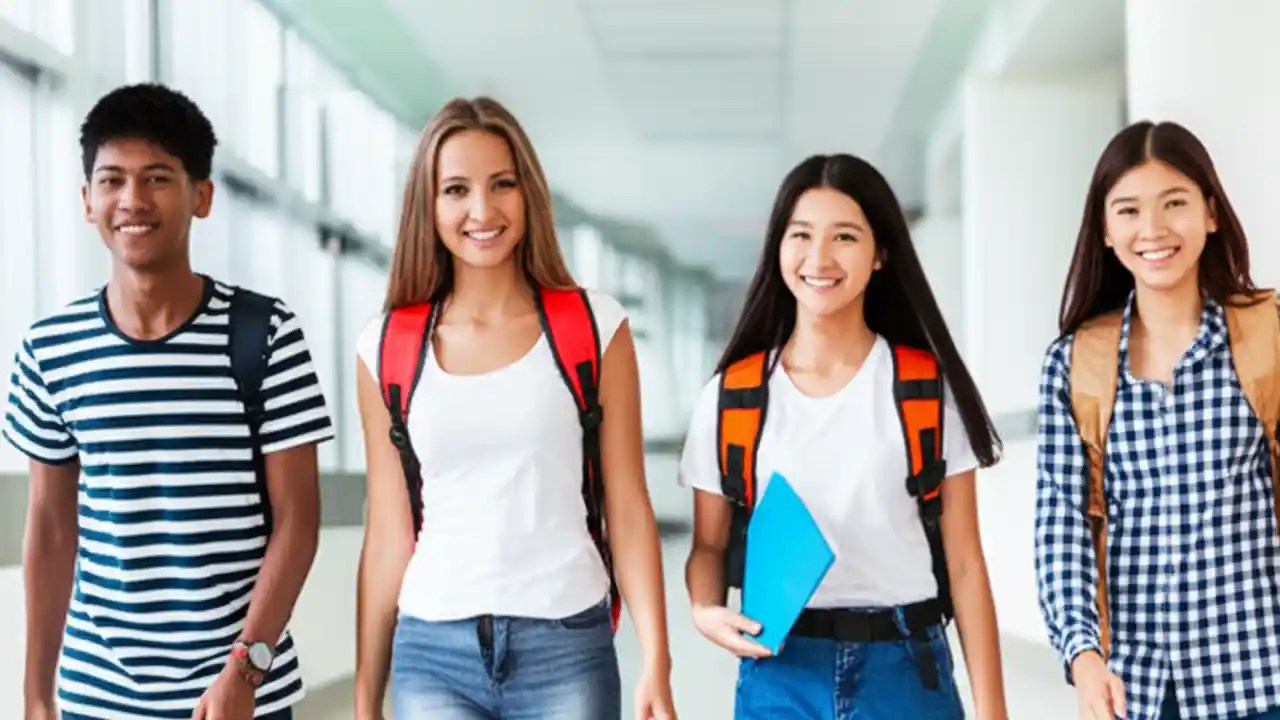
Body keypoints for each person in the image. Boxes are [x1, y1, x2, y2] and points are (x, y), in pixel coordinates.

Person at [3, 83, 334, 720]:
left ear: (200, 196)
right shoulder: (51, 351)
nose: (132, 200)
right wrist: (36, 694)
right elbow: (49, 527)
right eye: (112, 180)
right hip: (97, 698)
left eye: (157, 178)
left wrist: (244, 672)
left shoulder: (264, 335)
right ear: (86, 200)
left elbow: (298, 522)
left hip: (245, 698)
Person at [352, 96, 676, 720]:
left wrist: (657, 659)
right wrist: (367, 695)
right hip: (432, 650)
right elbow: (388, 533)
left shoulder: (594, 327)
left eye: (502, 184)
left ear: (529, 194)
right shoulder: (386, 346)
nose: (482, 210)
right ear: (429, 205)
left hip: (565, 644)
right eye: (456, 189)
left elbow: (628, 508)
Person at [679, 153, 1008, 718]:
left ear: (879, 254)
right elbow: (708, 546)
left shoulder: (923, 390)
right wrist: (705, 609)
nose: (819, 258)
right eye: (801, 235)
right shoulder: (733, 398)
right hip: (780, 668)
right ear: (778, 248)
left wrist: (994, 709)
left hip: (906, 671)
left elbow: (966, 565)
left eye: (845, 237)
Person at [1036, 120, 1280, 720]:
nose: (1153, 230)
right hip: (1139, 691)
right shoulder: (1073, 363)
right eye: (1128, 210)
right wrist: (1083, 655)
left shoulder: (1269, 337)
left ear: (1211, 214)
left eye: (1175, 203)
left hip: (1262, 678)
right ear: (1105, 230)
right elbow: (1060, 525)